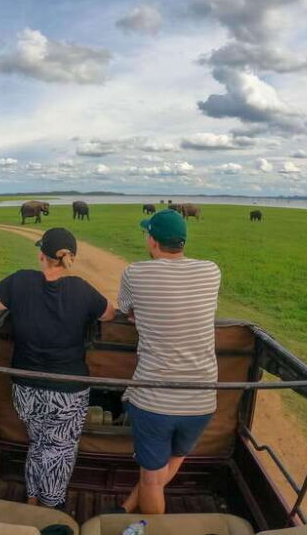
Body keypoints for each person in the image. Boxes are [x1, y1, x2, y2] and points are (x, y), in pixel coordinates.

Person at [0, 227, 116, 508]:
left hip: (25, 387)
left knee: (38, 442)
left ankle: (32, 496)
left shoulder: (20, 281)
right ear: (70, 259)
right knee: (59, 449)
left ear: (42, 255)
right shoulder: (80, 288)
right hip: (68, 392)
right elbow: (109, 313)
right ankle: (52, 506)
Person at [117, 209, 220, 514]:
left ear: (152, 241)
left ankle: (146, 525)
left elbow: (127, 310)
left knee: (151, 479)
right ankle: (125, 508)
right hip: (202, 400)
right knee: (170, 462)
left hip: (154, 402)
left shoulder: (135, 273)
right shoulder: (211, 270)